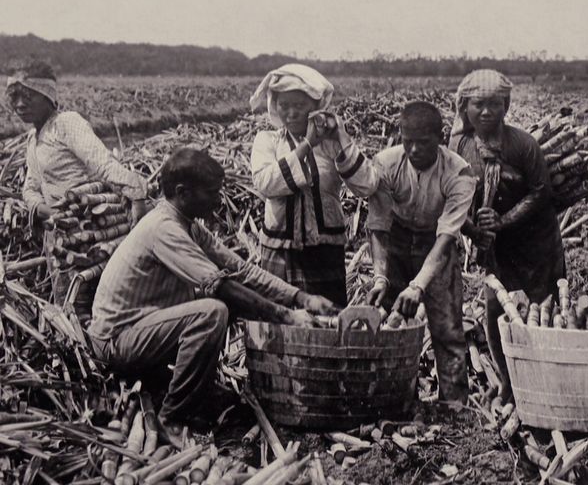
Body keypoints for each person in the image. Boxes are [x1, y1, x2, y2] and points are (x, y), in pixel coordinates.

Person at [89, 148, 335, 444]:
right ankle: (172, 416)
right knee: (212, 312)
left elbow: (241, 270)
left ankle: (195, 389)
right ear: (183, 193)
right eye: (211, 193)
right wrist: (286, 315)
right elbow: (220, 285)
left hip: (142, 328)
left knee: (224, 303)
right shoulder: (164, 229)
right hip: (117, 341)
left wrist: (300, 298)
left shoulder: (188, 225)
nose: (219, 200)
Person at [449, 69, 565, 401]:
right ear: (465, 107)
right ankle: (507, 383)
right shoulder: (459, 145)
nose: (486, 112)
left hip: (535, 244)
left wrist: (503, 220)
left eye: (495, 104)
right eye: (478, 105)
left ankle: (539, 387)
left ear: (506, 106)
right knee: (495, 309)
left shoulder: (523, 144)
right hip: (495, 246)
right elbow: (453, 193)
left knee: (539, 310)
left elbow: (541, 193)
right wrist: (474, 229)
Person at [8, 60, 147, 318]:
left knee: (96, 302)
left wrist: (136, 194)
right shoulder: (33, 139)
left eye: (27, 96)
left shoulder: (67, 124)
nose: (19, 105)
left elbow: (103, 163)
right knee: (68, 307)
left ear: (47, 95)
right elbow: (30, 187)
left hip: (91, 228)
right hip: (58, 236)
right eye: (14, 98)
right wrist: (46, 211)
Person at [366, 101, 475, 405]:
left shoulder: (460, 173)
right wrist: (380, 276)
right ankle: (393, 401)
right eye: (407, 141)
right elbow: (378, 226)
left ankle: (454, 407)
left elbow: (446, 237)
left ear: (441, 137)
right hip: (396, 241)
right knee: (388, 324)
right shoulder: (385, 164)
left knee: (447, 329)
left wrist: (418, 285)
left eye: (423, 143)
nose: (414, 150)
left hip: (436, 242)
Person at [248, 64, 378, 306]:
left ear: (315, 106)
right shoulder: (267, 141)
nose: (291, 113)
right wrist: (306, 145)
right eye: (284, 105)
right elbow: (265, 183)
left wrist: (341, 136)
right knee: (281, 319)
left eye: (299, 105)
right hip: (280, 251)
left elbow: (367, 185)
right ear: (274, 105)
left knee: (327, 318)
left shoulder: (331, 144)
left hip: (324, 253)